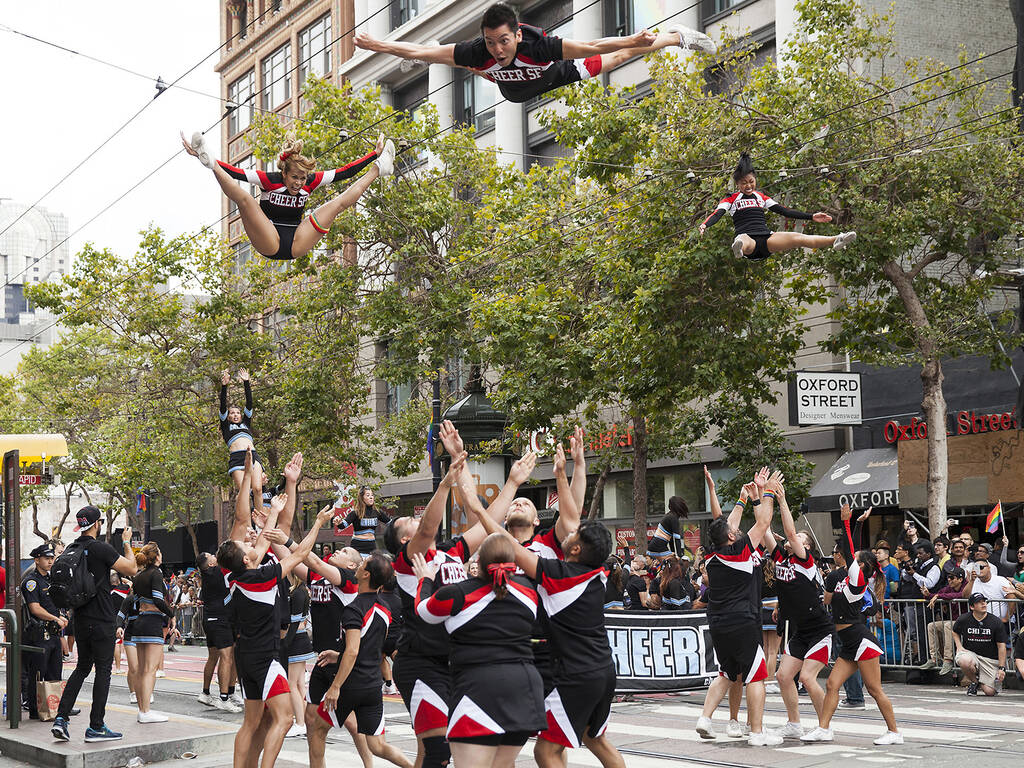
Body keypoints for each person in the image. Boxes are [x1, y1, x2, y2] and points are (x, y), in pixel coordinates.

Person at [383, 425, 536, 768]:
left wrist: (512, 483)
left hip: (454, 661)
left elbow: (488, 521)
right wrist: (444, 484)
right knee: (438, 751)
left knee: (439, 751)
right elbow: (427, 528)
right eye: (408, 520)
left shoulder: (451, 551)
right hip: (421, 662)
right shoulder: (410, 560)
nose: (416, 518)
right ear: (404, 541)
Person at [354, 2, 715, 105]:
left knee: (620, 57)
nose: (498, 49)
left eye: (504, 41)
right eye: (491, 42)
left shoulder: (540, 45)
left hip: (554, 75)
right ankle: (434, 52)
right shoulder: (479, 52)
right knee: (464, 62)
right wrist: (377, 45)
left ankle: (676, 37)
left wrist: (631, 39)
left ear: (516, 34)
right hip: (512, 90)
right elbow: (414, 47)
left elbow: (592, 46)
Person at [219, 486, 331, 768]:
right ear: (246, 559)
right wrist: (318, 523)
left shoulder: (233, 577)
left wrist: (272, 516)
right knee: (285, 718)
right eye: (245, 545)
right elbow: (301, 553)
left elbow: (260, 548)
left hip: (245, 655)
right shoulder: (263, 577)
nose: (250, 543)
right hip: (264, 657)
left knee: (251, 722)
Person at [412, 531, 545, 768]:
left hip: (479, 689)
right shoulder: (528, 591)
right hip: (524, 689)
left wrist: (425, 579)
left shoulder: (457, 593)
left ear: (479, 561)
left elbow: (424, 611)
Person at [182, 130, 394, 261]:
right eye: (294, 178)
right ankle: (209, 161)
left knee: (337, 204)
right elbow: (235, 172)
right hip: (269, 239)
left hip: (297, 241)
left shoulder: (310, 181)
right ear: (284, 174)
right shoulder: (269, 179)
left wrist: (373, 155)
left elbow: (344, 172)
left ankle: (379, 168)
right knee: (246, 200)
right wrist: (209, 161)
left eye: (303, 178)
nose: (299, 183)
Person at [801, 503, 901, 745]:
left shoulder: (858, 580)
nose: (850, 558)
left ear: (861, 566)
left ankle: (894, 732)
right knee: (832, 684)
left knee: (874, 689)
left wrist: (846, 522)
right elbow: (851, 549)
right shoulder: (845, 577)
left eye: (855, 559)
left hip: (861, 641)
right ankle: (823, 729)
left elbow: (849, 550)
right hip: (848, 642)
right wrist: (858, 524)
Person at [695, 469, 781, 747]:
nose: (735, 529)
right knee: (756, 676)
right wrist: (767, 492)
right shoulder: (741, 550)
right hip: (742, 620)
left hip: (718, 622)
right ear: (732, 537)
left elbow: (723, 523)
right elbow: (764, 522)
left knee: (726, 673)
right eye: (733, 531)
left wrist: (740, 498)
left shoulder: (712, 556)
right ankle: (756, 732)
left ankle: (705, 718)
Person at [314, 553, 411, 768]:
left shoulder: (354, 609)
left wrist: (335, 687)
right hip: (373, 686)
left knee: (316, 730)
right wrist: (338, 655)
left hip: (351, 685)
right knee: (377, 745)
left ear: (366, 574)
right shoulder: (385, 608)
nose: (359, 565)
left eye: (363, 564)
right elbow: (372, 649)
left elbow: (353, 651)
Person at [51, 507, 138, 743]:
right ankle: (96, 726)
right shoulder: (100, 548)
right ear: (97, 524)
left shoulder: (71, 548)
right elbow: (131, 568)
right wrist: (126, 542)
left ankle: (61, 718)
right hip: (102, 619)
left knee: (82, 668)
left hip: (80, 619)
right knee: (103, 671)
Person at [761, 475, 832, 741]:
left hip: (820, 629)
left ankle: (825, 727)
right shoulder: (781, 558)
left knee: (808, 678)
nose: (794, 537)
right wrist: (762, 495)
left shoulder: (806, 560)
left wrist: (782, 499)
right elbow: (764, 529)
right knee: (783, 676)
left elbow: (790, 533)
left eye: (801, 538)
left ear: (806, 546)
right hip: (801, 630)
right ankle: (794, 724)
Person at [699, 152, 856, 260]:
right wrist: (705, 224)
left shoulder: (761, 197)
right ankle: (739, 249)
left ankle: (838, 238)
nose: (748, 186)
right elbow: (717, 213)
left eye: (751, 182)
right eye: (744, 183)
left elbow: (784, 211)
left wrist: (811, 216)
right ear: (738, 184)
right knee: (742, 238)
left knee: (798, 238)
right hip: (748, 240)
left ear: (755, 180)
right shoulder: (731, 199)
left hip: (767, 239)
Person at [130, 543, 175, 723]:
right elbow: (158, 599)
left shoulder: (138, 576)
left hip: (140, 622)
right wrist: (171, 614)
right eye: (160, 553)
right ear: (156, 557)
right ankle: (146, 711)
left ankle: (142, 710)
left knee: (142, 670)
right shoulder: (156, 573)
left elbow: (135, 601)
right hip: (152, 623)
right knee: (150, 670)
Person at [21, 543, 67, 720]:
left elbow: (54, 604)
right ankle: (36, 709)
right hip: (39, 633)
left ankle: (52, 709)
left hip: (54, 632)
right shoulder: (32, 582)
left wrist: (61, 616)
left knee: (55, 673)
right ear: (36, 560)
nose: (50, 561)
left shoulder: (51, 579)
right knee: (38, 673)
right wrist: (55, 618)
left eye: (51, 558)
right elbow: (35, 608)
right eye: (46, 558)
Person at [219, 368, 267, 524]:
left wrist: (246, 382)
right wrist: (224, 386)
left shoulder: (246, 423)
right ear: (228, 416)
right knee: (244, 492)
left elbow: (250, 403)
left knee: (258, 489)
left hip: (253, 455)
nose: (235, 415)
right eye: (232, 413)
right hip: (237, 458)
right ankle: (246, 523)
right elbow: (222, 406)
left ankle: (260, 520)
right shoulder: (226, 427)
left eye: (237, 413)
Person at [197, 551, 242, 712]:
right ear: (210, 564)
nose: (214, 556)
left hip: (216, 619)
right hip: (218, 620)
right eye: (211, 556)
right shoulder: (214, 571)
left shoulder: (210, 574)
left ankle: (208, 693)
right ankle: (224, 698)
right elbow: (228, 554)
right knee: (227, 656)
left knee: (216, 656)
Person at [953, 594, 1008, 695]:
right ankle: (974, 681)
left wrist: (1001, 668)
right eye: (979, 602)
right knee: (964, 660)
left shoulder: (995, 621)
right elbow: (954, 631)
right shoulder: (964, 619)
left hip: (990, 660)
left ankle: (981, 679)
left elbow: (1001, 646)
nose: (983, 604)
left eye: (984, 601)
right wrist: (959, 646)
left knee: (990, 692)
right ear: (972, 607)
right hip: (971, 655)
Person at [282, 573, 315, 738]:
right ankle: (304, 721)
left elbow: (295, 622)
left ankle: (300, 723)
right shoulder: (299, 590)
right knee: (299, 684)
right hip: (299, 639)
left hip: (296, 640)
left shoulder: (298, 592)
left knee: (293, 684)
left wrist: (285, 643)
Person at [921, 567, 967, 676]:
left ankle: (948, 660)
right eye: (948, 577)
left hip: (966, 621)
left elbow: (961, 595)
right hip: (954, 621)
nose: (949, 579)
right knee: (931, 626)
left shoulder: (966, 586)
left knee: (948, 625)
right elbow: (936, 595)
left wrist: (938, 596)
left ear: (960, 579)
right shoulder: (949, 588)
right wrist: (927, 594)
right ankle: (935, 658)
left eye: (952, 577)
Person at [343, 487, 392, 558]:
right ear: (362, 498)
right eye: (368, 495)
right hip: (357, 546)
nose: (371, 497)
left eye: (372, 495)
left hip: (372, 546)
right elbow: (342, 525)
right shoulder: (355, 513)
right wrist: (338, 522)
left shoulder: (377, 512)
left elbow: (391, 523)